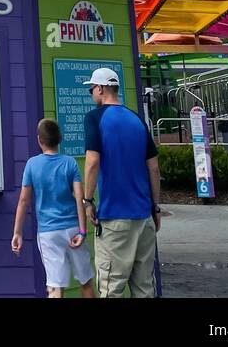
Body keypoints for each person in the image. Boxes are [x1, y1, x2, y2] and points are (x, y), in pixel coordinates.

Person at [81, 67, 161, 298]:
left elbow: (93, 161)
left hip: (115, 220)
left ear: (101, 88)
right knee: (144, 289)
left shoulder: (94, 118)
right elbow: (153, 166)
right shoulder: (136, 119)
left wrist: (87, 200)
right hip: (144, 218)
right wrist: (155, 207)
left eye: (91, 89)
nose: (91, 94)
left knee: (111, 290)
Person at [12, 118, 94, 299]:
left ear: (39, 139)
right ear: (60, 139)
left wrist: (17, 232)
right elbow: (79, 197)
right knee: (85, 282)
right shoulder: (70, 163)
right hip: (73, 228)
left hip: (48, 233)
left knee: (55, 287)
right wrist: (82, 231)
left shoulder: (32, 165)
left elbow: (23, 201)